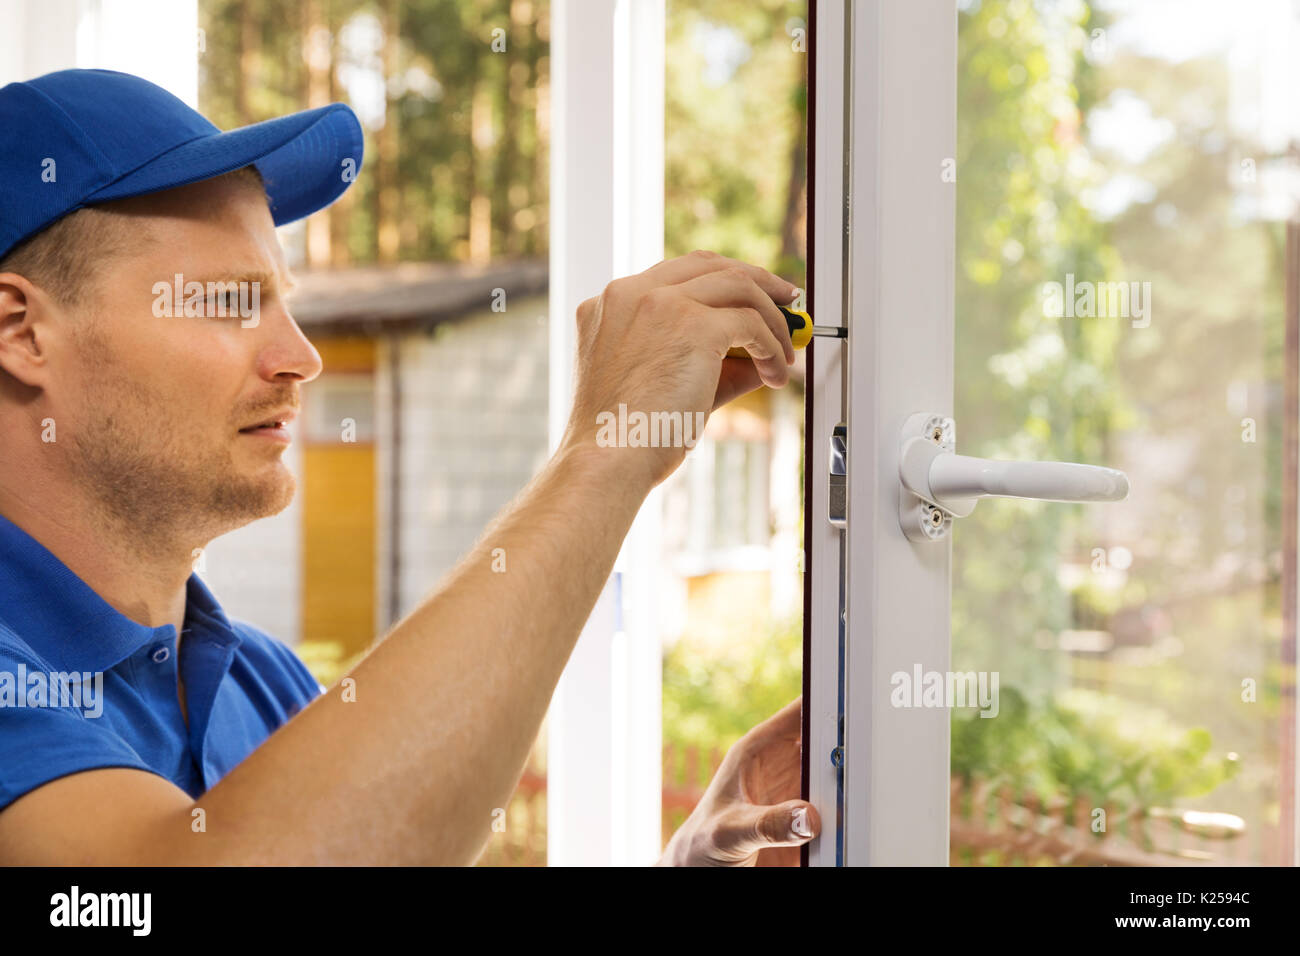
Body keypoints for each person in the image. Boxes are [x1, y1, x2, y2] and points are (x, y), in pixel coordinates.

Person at [0, 69, 820, 865]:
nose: (302, 357)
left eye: (286, 301)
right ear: (22, 332)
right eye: (227, 301)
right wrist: (602, 454)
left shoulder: (261, 682)